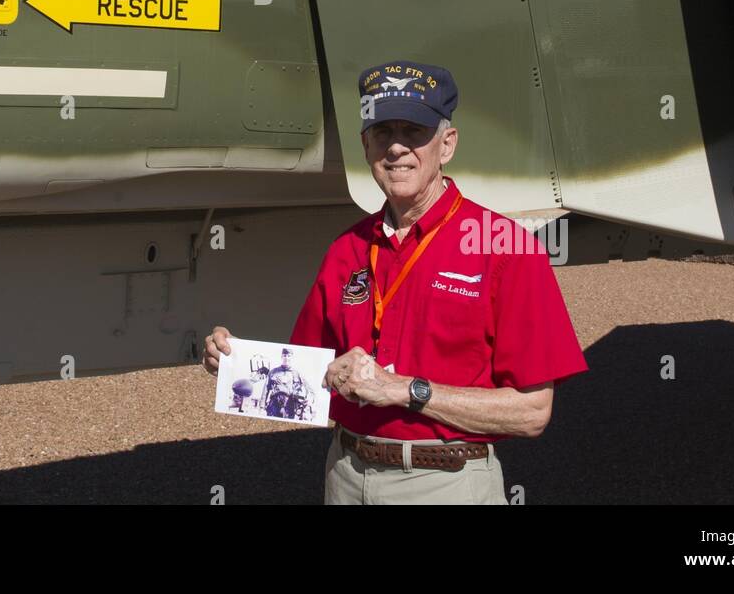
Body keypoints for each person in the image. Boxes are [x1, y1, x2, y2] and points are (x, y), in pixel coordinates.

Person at [203, 60, 588, 504]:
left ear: (447, 144)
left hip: (446, 482)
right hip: (346, 475)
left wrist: (406, 390)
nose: (397, 149)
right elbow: (308, 386)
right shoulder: (346, 250)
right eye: (384, 133)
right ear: (366, 146)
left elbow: (532, 413)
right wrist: (235, 364)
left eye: (414, 132)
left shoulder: (505, 247)